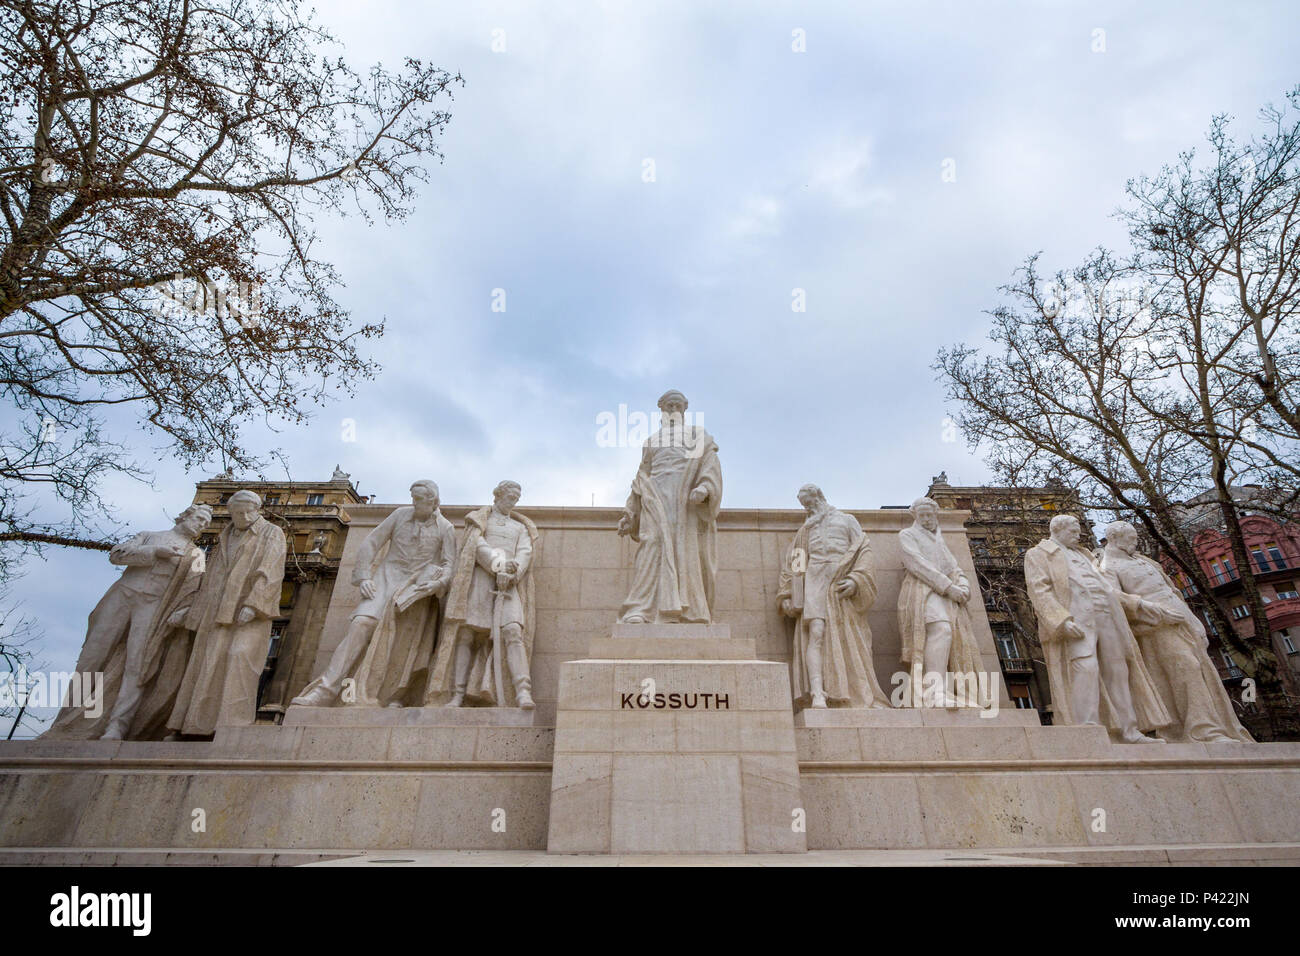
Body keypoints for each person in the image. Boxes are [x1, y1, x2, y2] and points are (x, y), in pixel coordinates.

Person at [44, 504, 212, 740]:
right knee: (91, 658)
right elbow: (117, 555)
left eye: (205, 524)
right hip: (122, 595)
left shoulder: (196, 555)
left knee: (138, 664)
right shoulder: (150, 536)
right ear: (184, 517)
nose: (201, 526)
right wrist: (154, 552)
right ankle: (65, 722)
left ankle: (118, 726)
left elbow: (195, 587)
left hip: (154, 605)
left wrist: (182, 610)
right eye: (199, 519)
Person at [292, 480, 454, 707]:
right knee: (361, 624)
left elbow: (449, 564)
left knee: (400, 643)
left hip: (413, 589)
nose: (413, 503)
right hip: (385, 578)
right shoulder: (400, 515)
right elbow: (370, 543)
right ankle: (325, 691)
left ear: (434, 502)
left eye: (418, 500)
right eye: (413, 498)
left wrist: (438, 584)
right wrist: (364, 576)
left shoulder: (445, 528)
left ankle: (385, 695)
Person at [1101, 521, 1252, 742]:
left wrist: (1195, 622)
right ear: (1115, 538)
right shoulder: (1107, 567)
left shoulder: (1146, 561)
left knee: (1202, 672)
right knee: (1185, 669)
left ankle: (1218, 728)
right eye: (1131, 539)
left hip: (1182, 623)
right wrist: (1153, 610)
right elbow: (1114, 598)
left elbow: (1173, 592)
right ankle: (1203, 730)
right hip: (1155, 627)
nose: (1135, 542)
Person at [1024, 514, 1169, 743]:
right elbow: (1039, 591)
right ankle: (1088, 727)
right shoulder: (1038, 554)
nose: (1078, 534)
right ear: (1058, 530)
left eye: (1079, 530)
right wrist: (1061, 620)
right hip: (1077, 619)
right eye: (1073, 531)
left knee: (1118, 671)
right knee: (1085, 668)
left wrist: (1136, 604)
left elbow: (1107, 585)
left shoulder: (1086, 554)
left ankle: (1129, 730)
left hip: (1106, 615)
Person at [167, 490, 286, 737]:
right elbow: (210, 577)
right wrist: (193, 611)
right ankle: (193, 726)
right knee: (205, 664)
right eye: (237, 512)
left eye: (247, 512)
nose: (242, 516)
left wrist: (255, 604)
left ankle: (232, 725)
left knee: (239, 657)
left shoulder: (271, 533)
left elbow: (271, 570)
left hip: (249, 610)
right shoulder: (225, 536)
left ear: (257, 510)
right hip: (216, 610)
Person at [427, 481, 541, 708]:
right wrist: (498, 565)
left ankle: (522, 691)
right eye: (510, 497)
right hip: (480, 582)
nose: (513, 501)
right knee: (467, 635)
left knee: (512, 631)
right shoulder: (479, 521)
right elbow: (476, 546)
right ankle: (458, 694)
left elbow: (525, 552)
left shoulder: (520, 528)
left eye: (516, 498)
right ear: (498, 496)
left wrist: (512, 571)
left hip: (508, 586)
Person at [777, 484, 889, 710]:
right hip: (815, 582)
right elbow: (796, 564)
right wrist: (788, 593)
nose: (807, 508)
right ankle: (818, 692)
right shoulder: (805, 531)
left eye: (809, 502)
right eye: (804, 505)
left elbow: (863, 550)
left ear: (819, 498)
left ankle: (860, 691)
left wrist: (857, 578)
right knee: (815, 632)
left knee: (849, 635)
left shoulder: (847, 520)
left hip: (841, 581)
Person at [616, 389, 722, 624]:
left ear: (685, 409)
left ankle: (688, 610)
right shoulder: (651, 441)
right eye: (668, 406)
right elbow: (641, 476)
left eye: (677, 405)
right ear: (661, 410)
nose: (673, 409)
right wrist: (631, 512)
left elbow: (710, 463)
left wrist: (705, 487)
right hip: (655, 498)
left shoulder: (697, 435)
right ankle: (641, 609)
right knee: (651, 544)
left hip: (685, 499)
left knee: (685, 550)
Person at [897, 497, 983, 707]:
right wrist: (948, 587)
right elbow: (917, 564)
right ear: (915, 515)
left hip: (947, 594)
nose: (926, 519)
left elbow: (954, 567)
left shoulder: (939, 539)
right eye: (922, 515)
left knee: (950, 637)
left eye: (930, 515)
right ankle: (933, 692)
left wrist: (964, 585)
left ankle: (942, 691)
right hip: (923, 591)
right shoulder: (907, 535)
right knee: (941, 630)